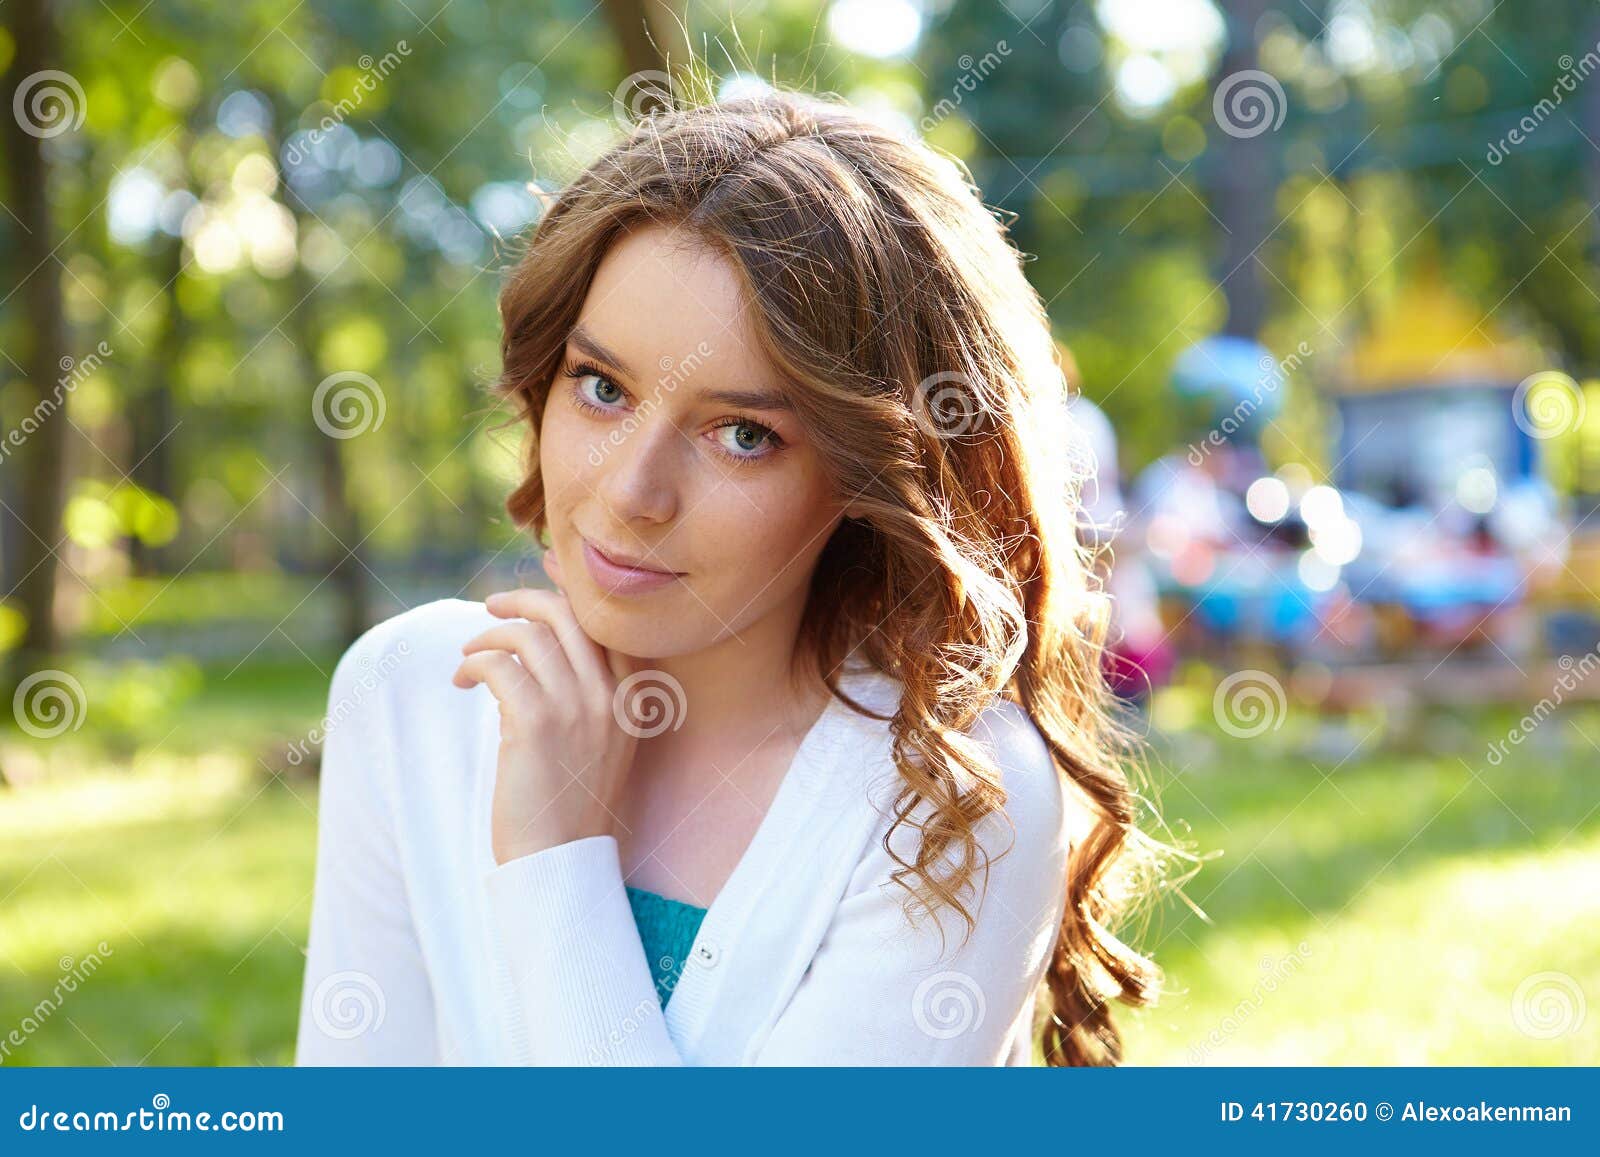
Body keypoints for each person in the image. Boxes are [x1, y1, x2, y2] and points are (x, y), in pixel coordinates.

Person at [294, 83, 1175, 1067]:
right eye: (601, 386)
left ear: (864, 471)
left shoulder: (953, 802)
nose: (631, 492)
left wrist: (552, 860)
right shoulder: (414, 692)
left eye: (743, 434)